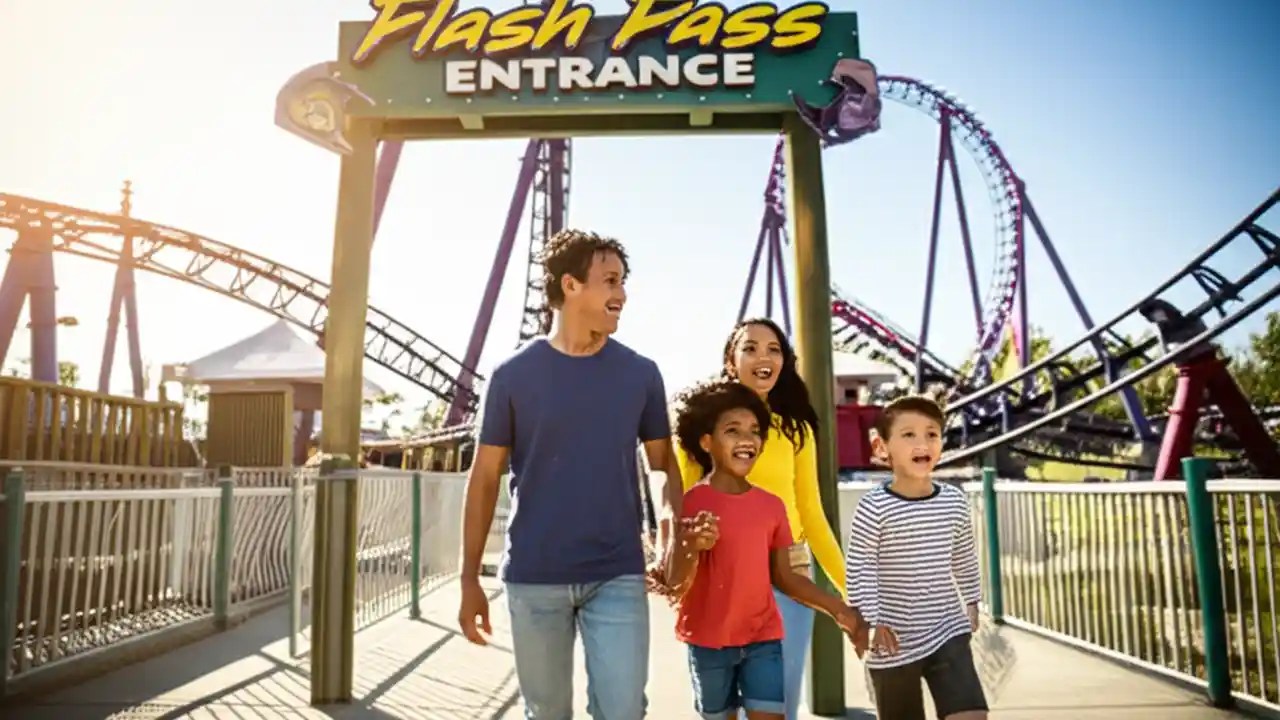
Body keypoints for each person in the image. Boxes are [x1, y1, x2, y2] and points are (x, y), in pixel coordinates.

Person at [456, 229, 685, 720]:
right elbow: (485, 478)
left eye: (623, 281)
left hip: (618, 572)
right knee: (547, 714)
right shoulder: (511, 375)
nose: (621, 294)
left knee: (624, 711)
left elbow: (664, 464)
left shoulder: (641, 374)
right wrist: (469, 577)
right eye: (609, 280)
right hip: (535, 576)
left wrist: (671, 531)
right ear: (571, 285)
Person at [673, 317, 846, 719]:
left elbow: (812, 514)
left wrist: (850, 592)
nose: (763, 357)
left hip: (791, 572)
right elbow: (683, 509)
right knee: (719, 709)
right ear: (731, 360)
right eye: (750, 348)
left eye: (774, 349)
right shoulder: (699, 425)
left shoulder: (796, 430)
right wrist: (676, 571)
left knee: (777, 705)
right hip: (720, 576)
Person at [846, 395, 988, 720]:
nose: (922, 443)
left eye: (932, 434)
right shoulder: (874, 508)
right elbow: (861, 568)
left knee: (972, 715)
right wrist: (870, 620)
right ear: (883, 448)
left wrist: (971, 602)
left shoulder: (953, 501)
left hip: (947, 629)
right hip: (892, 640)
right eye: (908, 435)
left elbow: (964, 556)